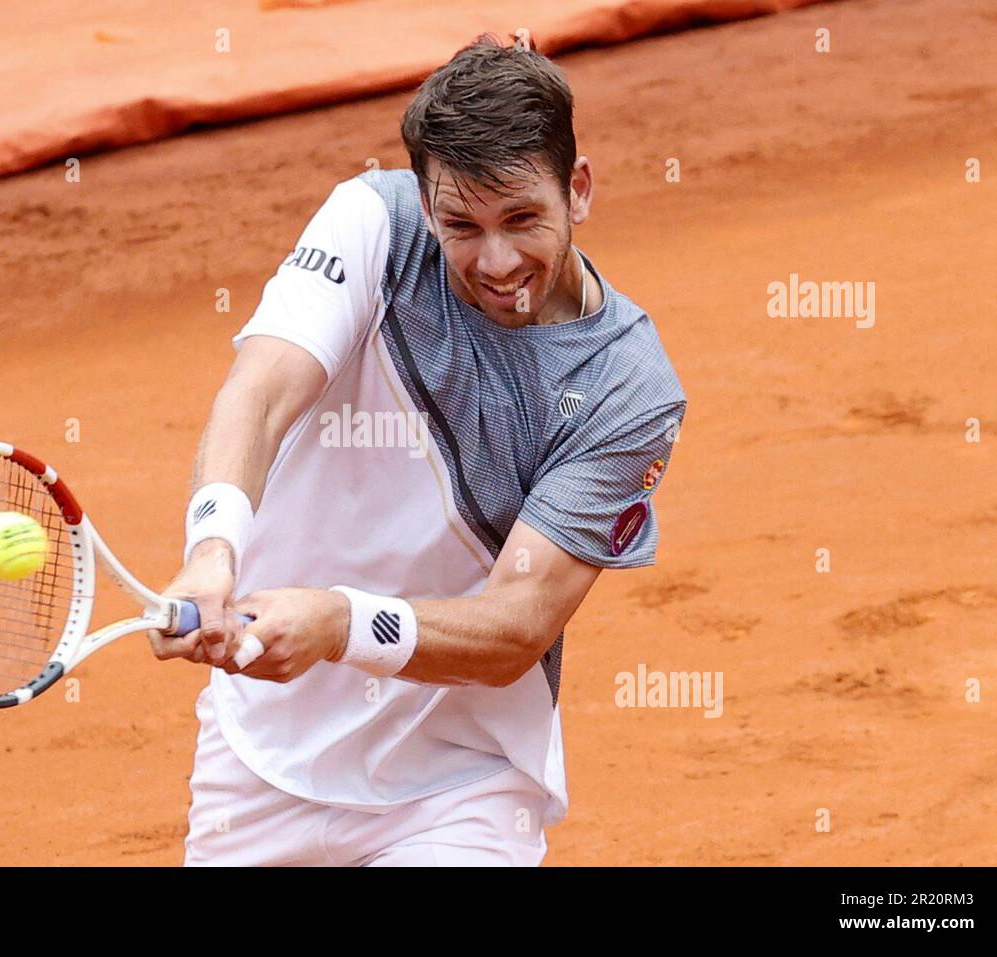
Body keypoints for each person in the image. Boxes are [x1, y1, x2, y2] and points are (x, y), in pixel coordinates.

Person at [150, 34, 687, 866]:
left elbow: (515, 628)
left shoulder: (627, 388)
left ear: (578, 188)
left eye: (522, 219)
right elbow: (257, 397)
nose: (497, 261)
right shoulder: (376, 223)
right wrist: (212, 548)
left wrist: (338, 622)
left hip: (461, 788)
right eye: (461, 226)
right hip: (260, 758)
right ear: (424, 201)